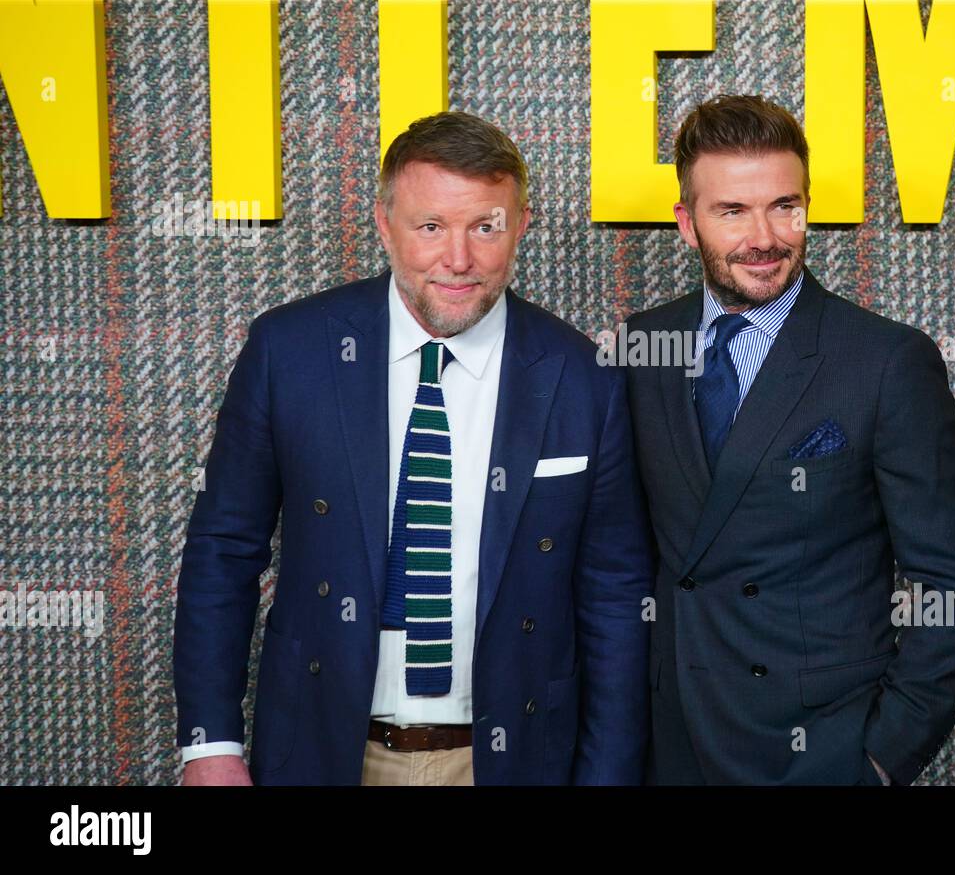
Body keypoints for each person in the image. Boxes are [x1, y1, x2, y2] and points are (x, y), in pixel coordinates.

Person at [174, 111, 652, 785]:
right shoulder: (290, 352)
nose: (458, 259)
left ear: (521, 225)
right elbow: (224, 549)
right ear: (384, 224)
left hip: (509, 760)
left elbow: (614, 596)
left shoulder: (583, 377)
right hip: (321, 751)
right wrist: (209, 742)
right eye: (430, 227)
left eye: (484, 226)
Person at [624, 94, 955, 785]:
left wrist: (880, 760)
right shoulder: (642, 348)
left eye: (784, 206)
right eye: (732, 211)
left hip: (819, 752)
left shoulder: (886, 361)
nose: (764, 236)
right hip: (671, 749)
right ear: (686, 223)